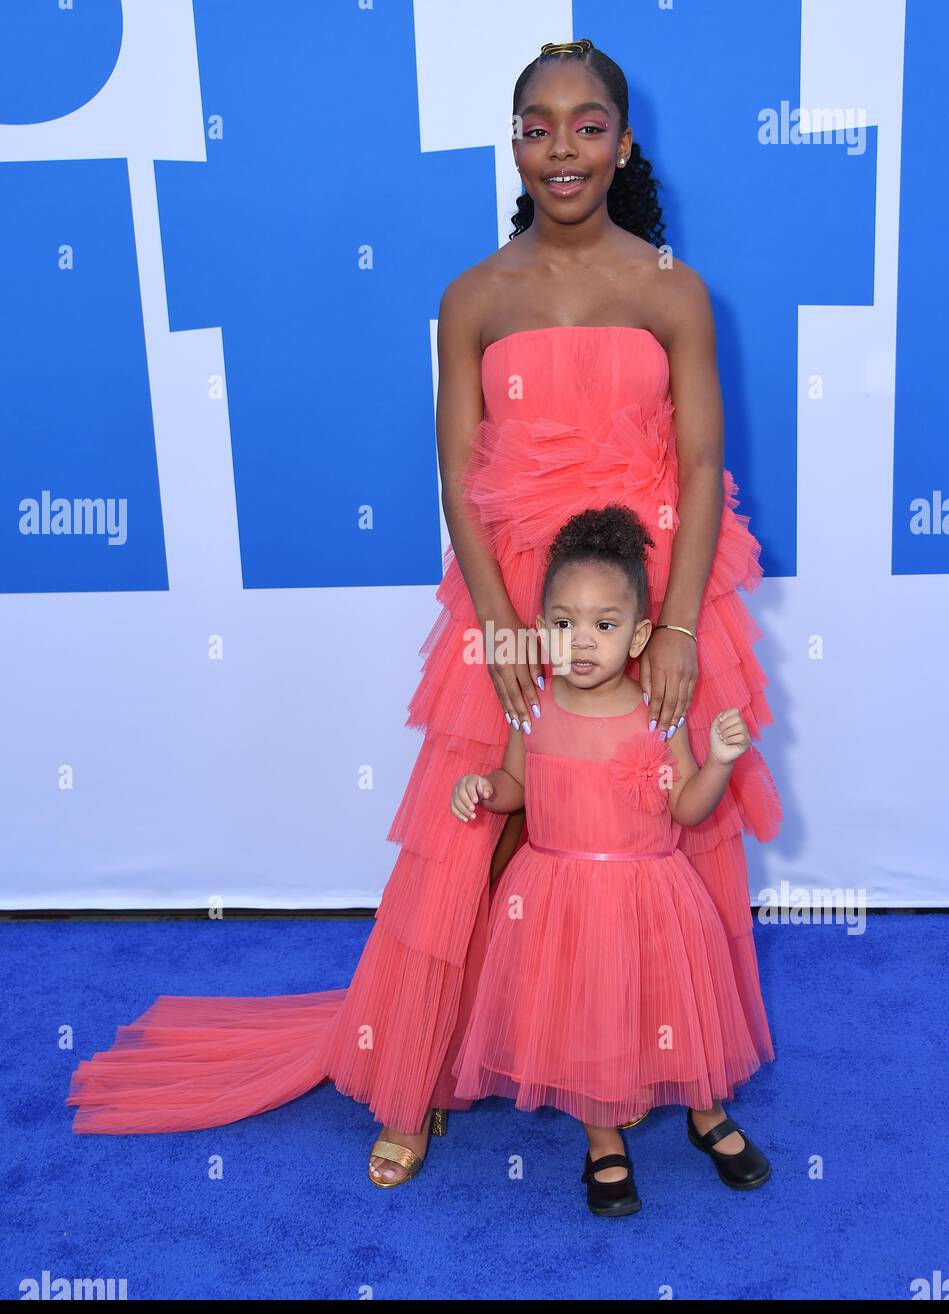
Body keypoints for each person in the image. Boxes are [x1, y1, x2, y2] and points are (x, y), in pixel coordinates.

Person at [65, 38, 782, 1191]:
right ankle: (413, 1072)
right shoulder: (474, 297)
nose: (564, 147)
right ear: (515, 145)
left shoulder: (673, 291)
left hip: (650, 601)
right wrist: (503, 628)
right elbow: (457, 472)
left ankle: (679, 1072)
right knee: (473, 832)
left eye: (588, 124)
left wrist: (682, 625)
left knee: (665, 827)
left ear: (623, 143)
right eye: (539, 125)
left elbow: (702, 465)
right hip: (509, 601)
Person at [448, 505, 772, 1214]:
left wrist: (717, 763)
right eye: (562, 623)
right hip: (556, 899)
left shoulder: (657, 712)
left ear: (641, 633)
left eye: (604, 624)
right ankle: (603, 1144)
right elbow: (515, 788)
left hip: (649, 892)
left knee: (673, 1007)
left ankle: (706, 1114)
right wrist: (482, 788)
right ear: (540, 631)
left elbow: (687, 807)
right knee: (583, 1019)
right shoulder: (529, 710)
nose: (581, 642)